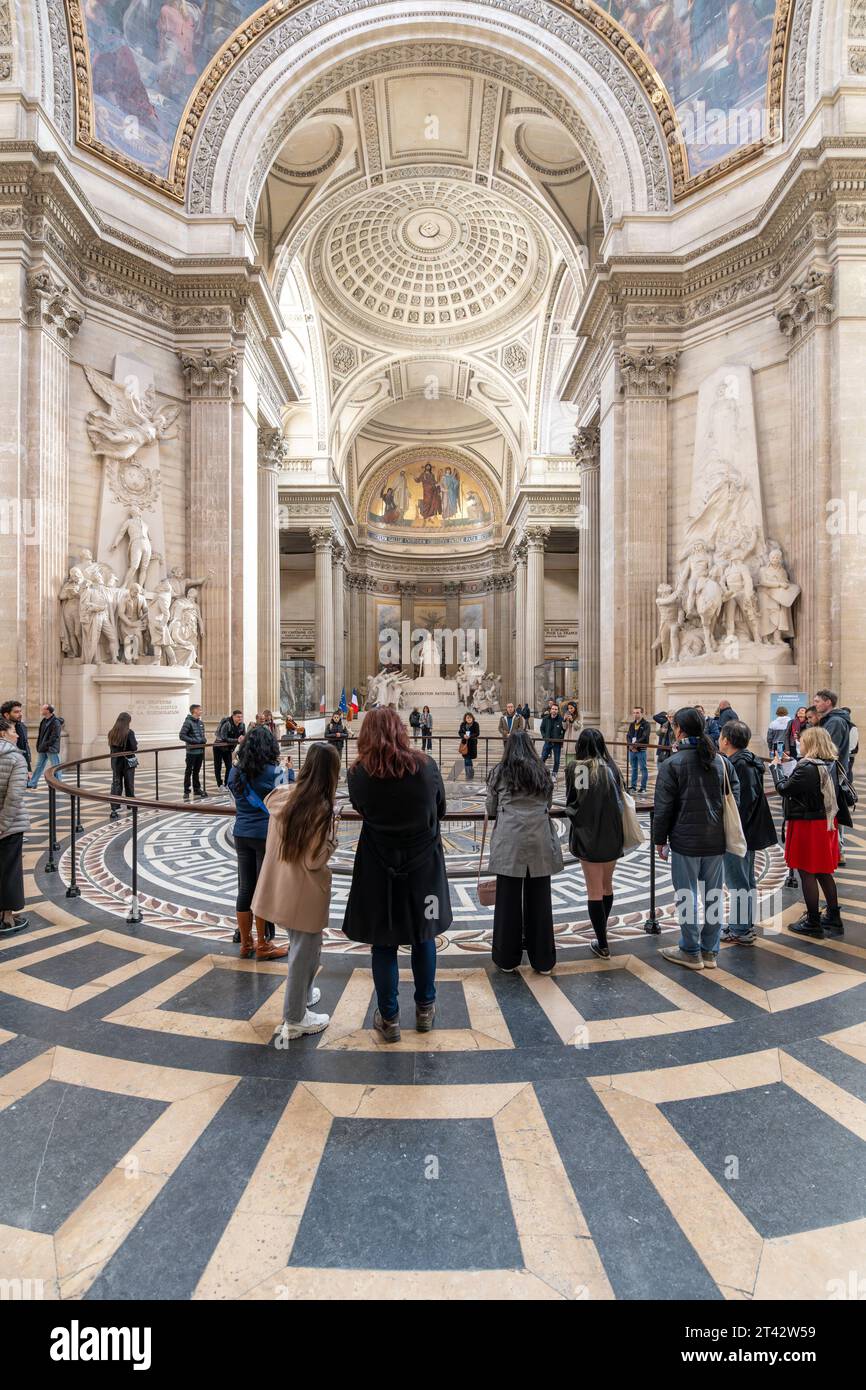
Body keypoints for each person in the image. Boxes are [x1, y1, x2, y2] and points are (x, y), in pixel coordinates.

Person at [342, 706, 451, 1042]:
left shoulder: (358, 773)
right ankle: (425, 1009)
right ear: (402, 730)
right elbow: (441, 809)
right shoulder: (426, 766)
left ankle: (388, 1019)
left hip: (379, 869)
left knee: (384, 944)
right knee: (424, 935)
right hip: (424, 871)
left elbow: (363, 810)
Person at [254, 740, 341, 1042]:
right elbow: (313, 860)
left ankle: (303, 994)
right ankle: (294, 1019)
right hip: (304, 889)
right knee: (304, 953)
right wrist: (333, 840)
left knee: (300, 946)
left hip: (280, 885)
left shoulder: (283, 796)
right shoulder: (320, 809)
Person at [653, 707, 741, 971]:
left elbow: (663, 808)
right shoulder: (721, 761)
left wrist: (660, 839)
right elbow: (733, 793)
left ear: (679, 730)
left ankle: (690, 950)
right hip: (715, 838)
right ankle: (710, 952)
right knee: (714, 895)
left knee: (687, 895)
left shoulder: (672, 764)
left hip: (685, 840)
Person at [486, 731, 562, 973]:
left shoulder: (500, 771)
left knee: (507, 900)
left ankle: (506, 958)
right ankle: (543, 960)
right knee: (540, 899)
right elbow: (548, 804)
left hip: (510, 839)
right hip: (539, 838)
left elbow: (491, 807)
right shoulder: (543, 771)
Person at [771, 725, 851, 939]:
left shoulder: (808, 767)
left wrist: (776, 769)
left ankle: (813, 921)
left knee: (807, 872)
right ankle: (834, 917)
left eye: (803, 740)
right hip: (826, 823)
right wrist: (793, 764)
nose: (800, 743)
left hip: (809, 825)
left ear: (811, 743)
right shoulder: (830, 763)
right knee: (824, 871)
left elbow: (785, 789)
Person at [227, 724, 287, 961]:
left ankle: (245, 943)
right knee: (262, 890)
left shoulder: (235, 772)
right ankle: (263, 943)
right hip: (265, 834)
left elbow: (234, 794)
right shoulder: (275, 772)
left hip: (241, 833)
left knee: (245, 888)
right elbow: (285, 800)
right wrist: (287, 772)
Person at [565, 728, 626, 960]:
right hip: (612, 833)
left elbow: (577, 801)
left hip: (590, 834)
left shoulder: (581, 768)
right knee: (607, 886)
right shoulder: (612, 767)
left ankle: (602, 943)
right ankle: (603, 931)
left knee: (594, 890)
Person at [719, 721, 777, 945]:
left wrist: (732, 831)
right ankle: (743, 924)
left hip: (740, 833)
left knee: (737, 882)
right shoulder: (747, 761)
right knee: (745, 880)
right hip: (749, 831)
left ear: (726, 740)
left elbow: (741, 803)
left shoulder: (738, 766)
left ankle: (740, 929)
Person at [814, 691, 854, 865]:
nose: (815, 704)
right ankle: (835, 851)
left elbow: (828, 751)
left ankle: (836, 851)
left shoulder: (835, 722)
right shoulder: (832, 720)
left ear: (828, 702)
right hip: (830, 775)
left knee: (833, 813)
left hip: (830, 776)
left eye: (817, 701)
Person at [0, 714, 30, 935]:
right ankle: (7, 917)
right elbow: (14, 797)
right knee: (10, 871)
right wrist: (3, 825)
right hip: (8, 824)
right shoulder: (16, 758)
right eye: (13, 731)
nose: (17, 734)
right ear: (3, 734)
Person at [107, 712, 138, 820]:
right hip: (127, 762)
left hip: (115, 762)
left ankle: (115, 806)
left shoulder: (111, 732)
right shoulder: (129, 733)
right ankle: (131, 804)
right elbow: (134, 747)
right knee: (129, 783)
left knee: (116, 782)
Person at [27, 704, 64, 788]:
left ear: (48, 711)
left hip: (51, 748)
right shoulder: (43, 721)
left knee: (55, 766)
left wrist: (45, 745)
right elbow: (40, 735)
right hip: (42, 748)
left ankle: (58, 784)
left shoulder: (56, 722)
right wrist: (39, 745)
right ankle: (33, 783)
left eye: (43, 709)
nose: (41, 710)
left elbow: (54, 737)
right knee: (39, 766)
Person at [213, 709, 245, 788]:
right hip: (218, 747)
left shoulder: (242, 725)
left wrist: (242, 738)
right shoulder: (227, 724)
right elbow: (224, 737)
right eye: (238, 717)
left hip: (228, 748)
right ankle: (219, 784)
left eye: (241, 717)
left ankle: (227, 783)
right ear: (233, 717)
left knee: (229, 766)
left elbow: (243, 735)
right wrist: (237, 740)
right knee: (218, 766)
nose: (240, 719)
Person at [0, 701, 30, 776]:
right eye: (16, 712)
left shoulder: (22, 727)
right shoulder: (1, 728)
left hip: (19, 766)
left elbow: (25, 747)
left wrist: (28, 768)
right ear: (6, 715)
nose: (20, 714)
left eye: (20, 711)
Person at [626, 707, 650, 794]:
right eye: (634, 713)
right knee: (634, 768)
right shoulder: (632, 724)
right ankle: (633, 786)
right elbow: (628, 735)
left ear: (642, 713)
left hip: (641, 750)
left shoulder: (646, 724)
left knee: (643, 768)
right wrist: (630, 745)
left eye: (637, 713)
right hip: (632, 750)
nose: (635, 714)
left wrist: (635, 744)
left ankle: (643, 787)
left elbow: (644, 736)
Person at [540, 700, 565, 779]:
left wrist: (560, 738)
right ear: (550, 710)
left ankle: (554, 774)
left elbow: (564, 730)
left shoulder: (561, 719)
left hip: (557, 743)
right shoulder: (546, 718)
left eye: (556, 709)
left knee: (557, 760)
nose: (554, 710)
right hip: (548, 742)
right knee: (543, 757)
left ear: (558, 711)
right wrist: (544, 737)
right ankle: (541, 773)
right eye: (553, 709)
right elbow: (542, 728)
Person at [458, 710, 479, 780]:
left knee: (468, 759)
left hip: (472, 744)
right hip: (465, 745)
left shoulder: (475, 724)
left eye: (470, 718)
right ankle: (468, 774)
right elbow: (460, 732)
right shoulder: (463, 724)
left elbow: (477, 733)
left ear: (472, 718)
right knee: (466, 759)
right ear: (465, 718)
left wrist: (470, 736)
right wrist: (463, 735)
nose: (469, 719)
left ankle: (470, 773)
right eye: (467, 718)